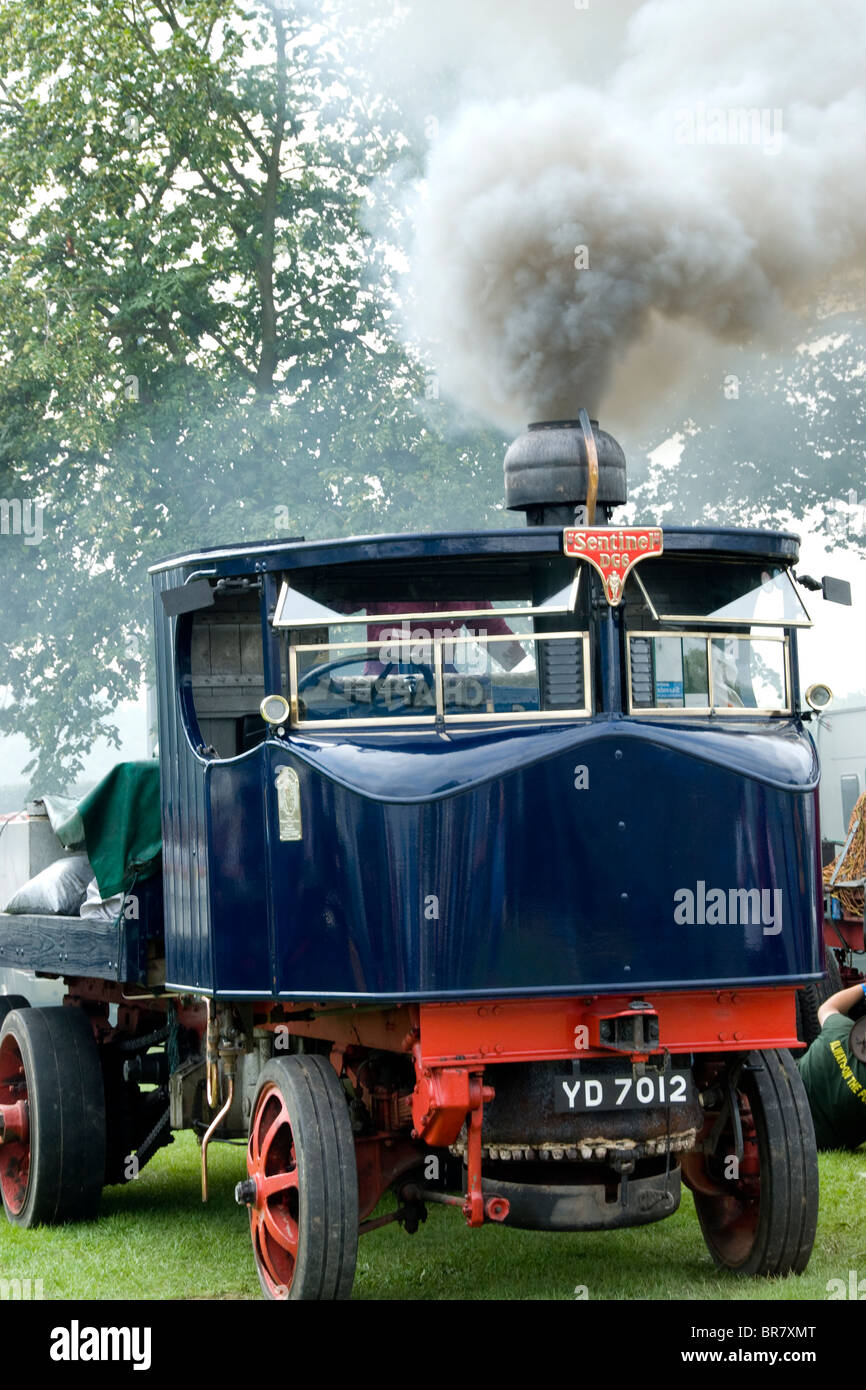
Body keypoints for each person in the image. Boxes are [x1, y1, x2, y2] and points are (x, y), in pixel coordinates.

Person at [797, 980, 866, 1149]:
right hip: (811, 1141)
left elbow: (827, 1007)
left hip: (780, 1096)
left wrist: (864, 987)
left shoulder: (839, 1031)